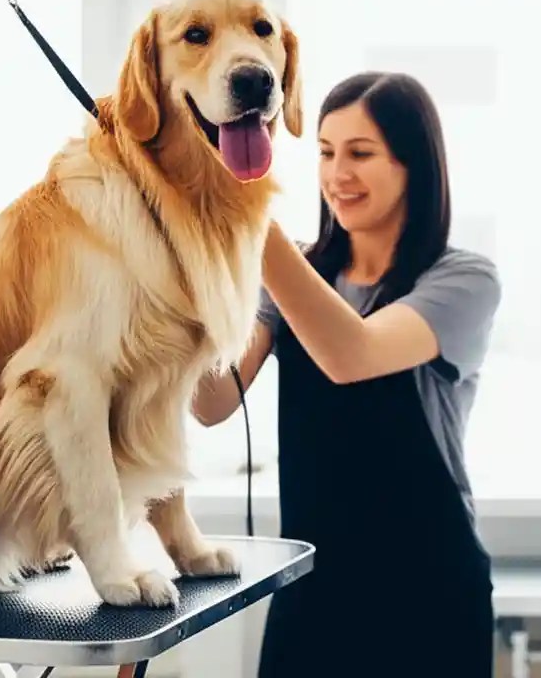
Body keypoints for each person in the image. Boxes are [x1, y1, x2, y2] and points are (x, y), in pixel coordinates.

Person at [191, 71, 502, 676]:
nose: (337, 174)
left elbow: (350, 355)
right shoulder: (294, 275)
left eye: (361, 154)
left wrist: (250, 215)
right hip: (312, 593)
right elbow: (211, 401)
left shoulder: (463, 281)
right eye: (327, 153)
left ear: (415, 165)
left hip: (429, 593)